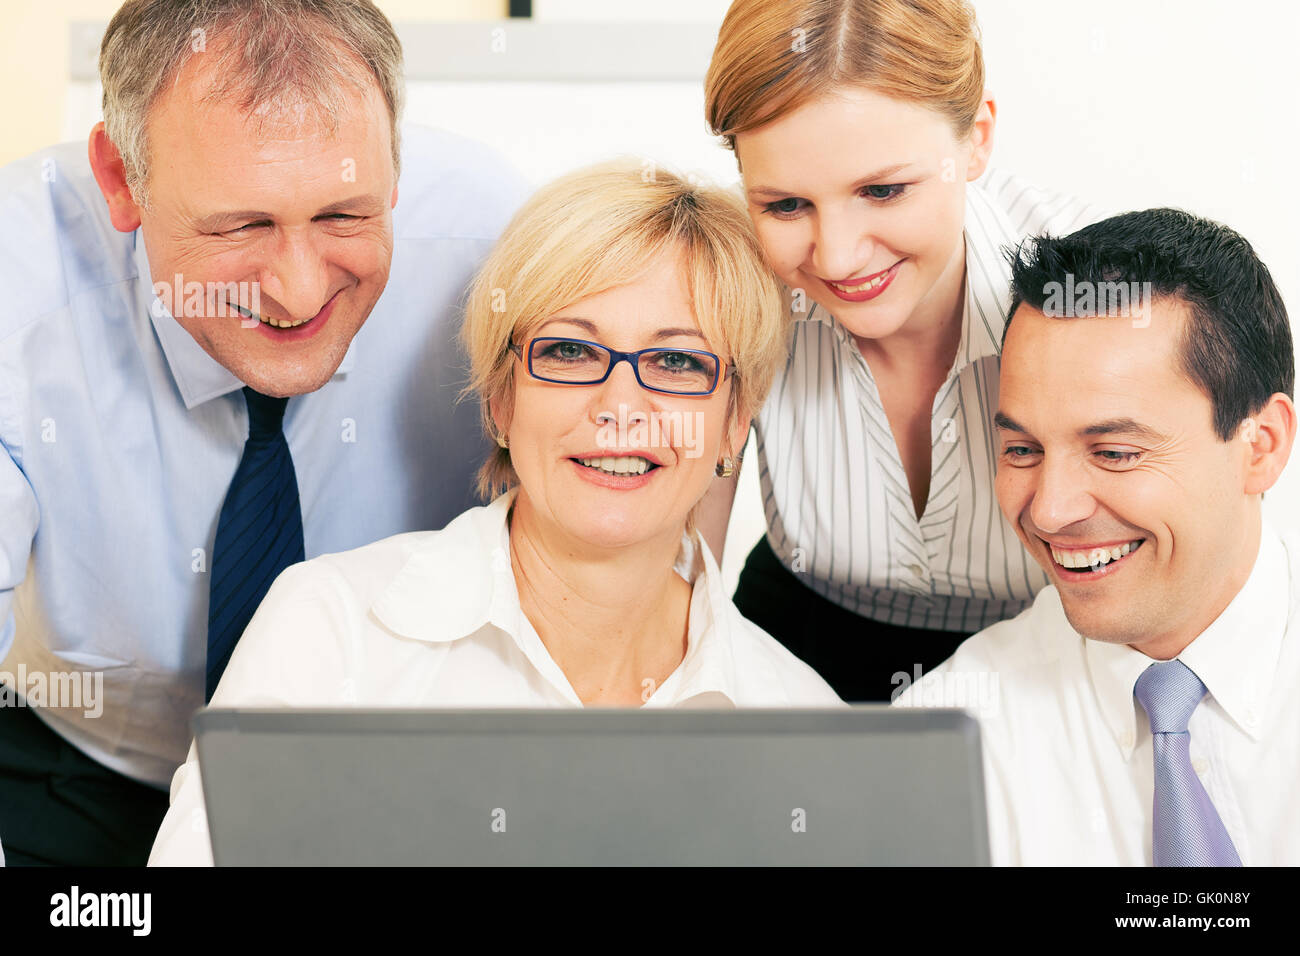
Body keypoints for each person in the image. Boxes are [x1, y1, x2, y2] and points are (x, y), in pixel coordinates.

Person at [148, 160, 844, 865]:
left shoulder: (804, 725)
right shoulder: (332, 631)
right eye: (570, 351)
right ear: (501, 401)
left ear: (734, 423)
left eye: (676, 363)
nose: (620, 408)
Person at [0, 0, 527, 865]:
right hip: (83, 773)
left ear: (396, 161)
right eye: (240, 225)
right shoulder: (17, 283)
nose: (298, 290)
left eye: (343, 218)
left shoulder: (496, 250)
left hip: (396, 777)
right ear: (122, 179)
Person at [699, 0, 1104, 701]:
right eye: (786, 205)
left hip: (1053, 648)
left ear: (976, 139)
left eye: (883, 191)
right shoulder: (728, 279)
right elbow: (679, 570)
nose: (839, 256)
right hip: (799, 639)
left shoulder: (1095, 289)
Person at [898, 208, 1298, 866]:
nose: (1051, 511)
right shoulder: (944, 743)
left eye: (1113, 453)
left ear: (1262, 446)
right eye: (1022, 449)